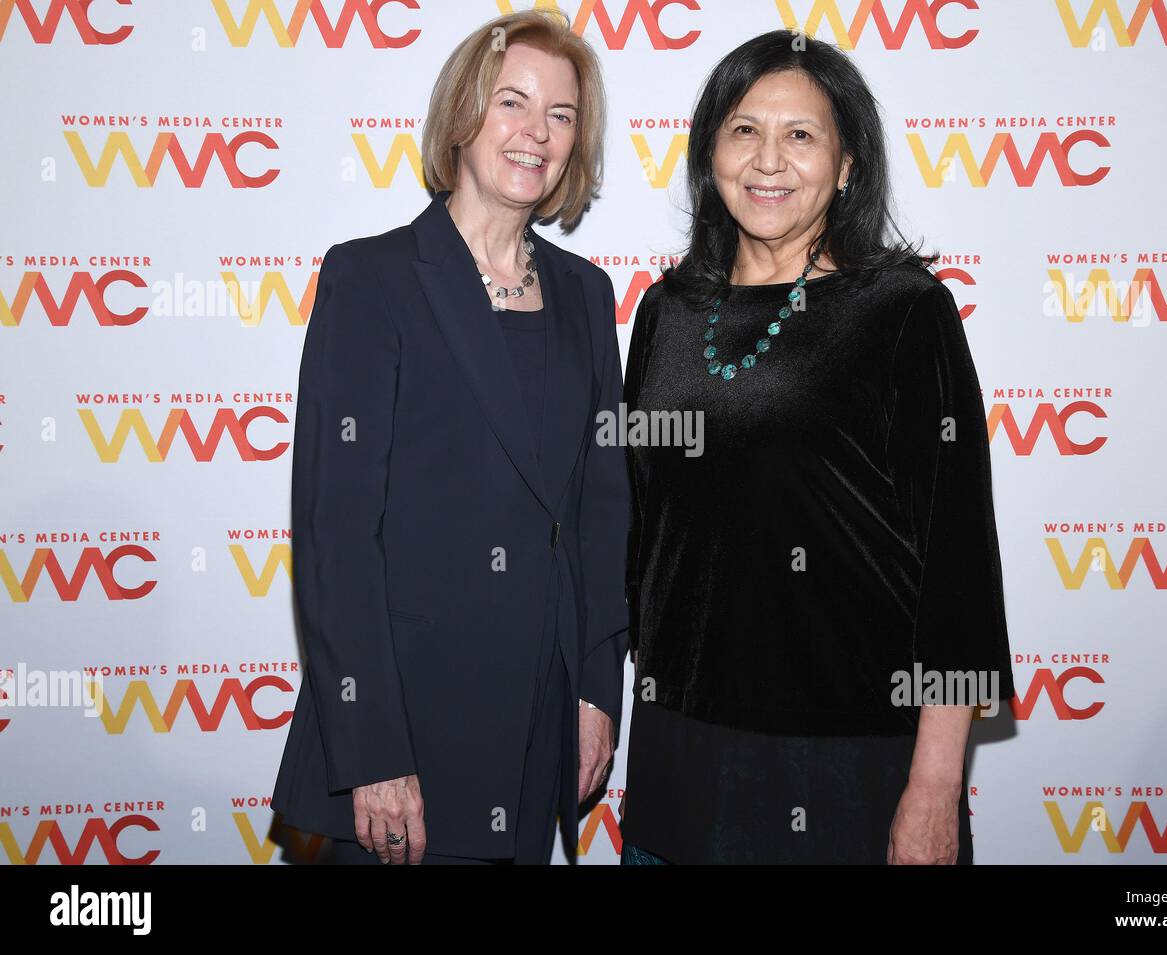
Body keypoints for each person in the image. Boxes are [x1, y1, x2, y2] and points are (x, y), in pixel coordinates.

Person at [619, 31, 1016, 865]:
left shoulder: (903, 313)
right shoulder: (668, 312)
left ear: (845, 165)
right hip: (678, 752)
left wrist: (936, 787)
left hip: (849, 763)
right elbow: (639, 533)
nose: (769, 160)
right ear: (710, 152)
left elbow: (959, 570)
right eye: (743, 129)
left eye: (801, 134)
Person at [271, 9, 629, 865]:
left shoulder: (587, 295)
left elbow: (601, 511)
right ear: (463, 115)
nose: (535, 133)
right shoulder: (373, 278)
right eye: (513, 102)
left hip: (538, 728)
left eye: (561, 115)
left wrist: (594, 690)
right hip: (408, 737)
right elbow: (336, 536)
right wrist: (374, 752)